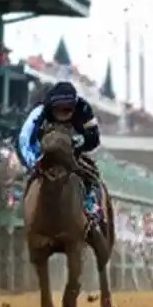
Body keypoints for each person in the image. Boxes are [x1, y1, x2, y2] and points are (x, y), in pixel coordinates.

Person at [17, 81, 106, 223]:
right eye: (59, 109)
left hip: (75, 153)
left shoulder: (84, 109)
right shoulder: (40, 112)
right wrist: (33, 161)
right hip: (45, 153)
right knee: (28, 178)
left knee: (92, 175)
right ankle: (25, 211)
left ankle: (91, 205)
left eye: (68, 109)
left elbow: (95, 138)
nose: (63, 113)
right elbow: (25, 139)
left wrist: (81, 141)